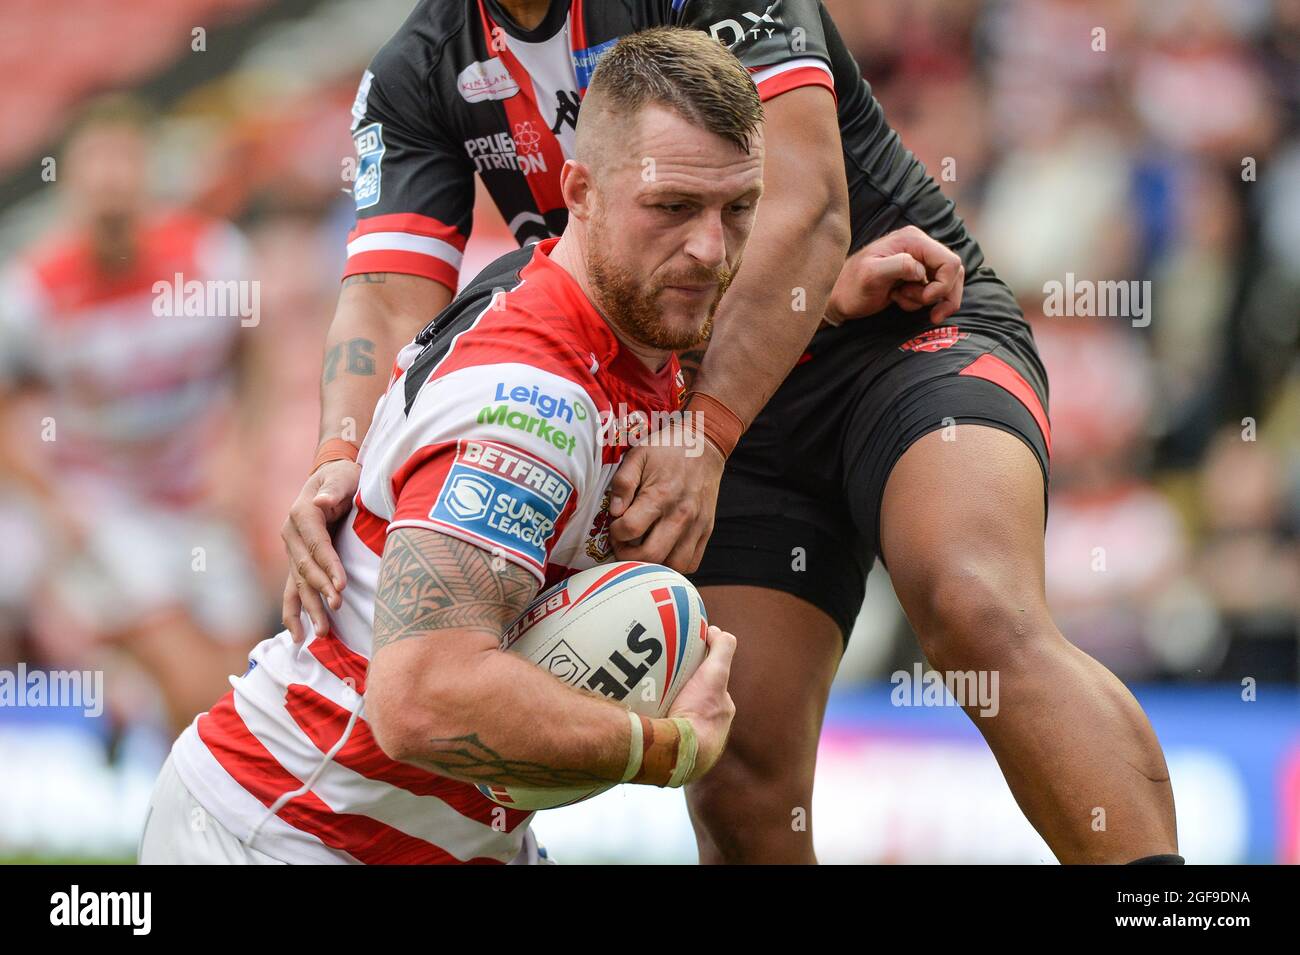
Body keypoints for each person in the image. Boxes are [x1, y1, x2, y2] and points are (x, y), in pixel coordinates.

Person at [284, 0, 1181, 864]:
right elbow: (386, 295)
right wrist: (336, 453)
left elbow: (805, 207)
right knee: (744, 775)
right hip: (692, 389)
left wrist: (706, 433)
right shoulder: (419, 65)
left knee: (974, 601)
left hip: (896, 328)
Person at [138, 28, 747, 865]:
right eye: (672, 207)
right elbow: (423, 700)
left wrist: (836, 298)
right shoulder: (529, 406)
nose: (712, 250)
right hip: (292, 833)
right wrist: (663, 746)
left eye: (738, 209)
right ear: (582, 190)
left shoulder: (607, 310)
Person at [0, 95, 260, 732]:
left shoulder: (212, 257)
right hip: (106, 506)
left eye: (125, 158)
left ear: (149, 168)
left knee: (236, 676)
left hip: (197, 497)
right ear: (69, 178)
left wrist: (241, 448)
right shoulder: (32, 290)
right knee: (190, 676)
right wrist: (49, 500)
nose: (112, 177)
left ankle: (136, 727)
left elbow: (255, 355)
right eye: (96, 162)